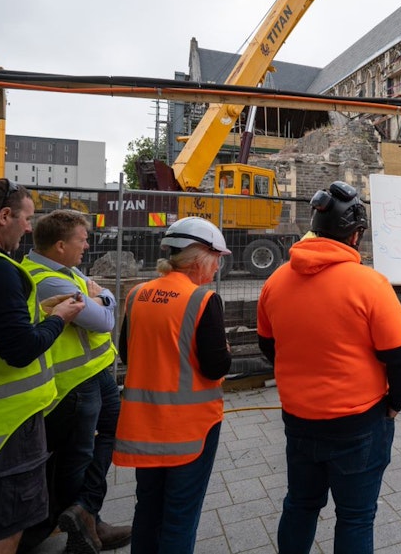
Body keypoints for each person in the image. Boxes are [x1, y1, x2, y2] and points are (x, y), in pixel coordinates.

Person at [257, 181, 401, 554]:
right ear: (355, 235)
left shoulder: (275, 281)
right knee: (356, 516)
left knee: (300, 504)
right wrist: (396, 402)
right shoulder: (370, 284)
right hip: (358, 423)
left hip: (298, 419)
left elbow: (269, 345)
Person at [0, 178, 85, 553]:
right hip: (1, 430)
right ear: (3, 215)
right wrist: (61, 319)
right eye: (25, 218)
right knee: (4, 530)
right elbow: (20, 350)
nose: (29, 227)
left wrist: (40, 314)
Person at [113, 217, 232, 553]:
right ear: (200, 258)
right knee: (180, 515)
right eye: (217, 258)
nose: (218, 266)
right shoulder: (204, 301)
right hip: (189, 430)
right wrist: (224, 349)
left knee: (147, 510)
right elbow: (216, 368)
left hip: (143, 427)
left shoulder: (137, 295)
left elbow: (126, 352)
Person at [20, 210, 130, 554]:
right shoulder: (47, 279)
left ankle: (85, 512)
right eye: (81, 240)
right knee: (77, 456)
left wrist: (101, 299)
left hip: (95, 374)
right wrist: (102, 299)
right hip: (75, 384)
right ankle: (80, 526)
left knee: (109, 435)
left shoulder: (66, 271)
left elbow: (103, 303)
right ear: (60, 245)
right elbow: (103, 320)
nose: (87, 245)